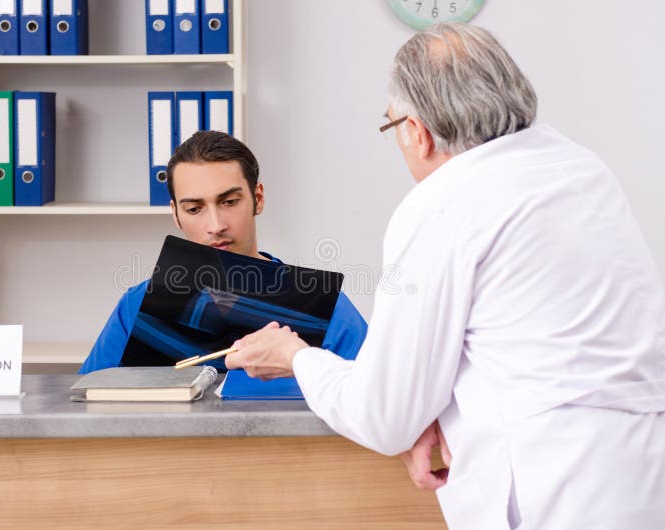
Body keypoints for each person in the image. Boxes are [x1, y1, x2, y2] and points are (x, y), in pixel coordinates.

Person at [226, 23, 665, 529]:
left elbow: (384, 415)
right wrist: (432, 410)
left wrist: (294, 357)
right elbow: (530, 343)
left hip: (559, 494)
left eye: (391, 127)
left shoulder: (443, 203)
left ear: (417, 131)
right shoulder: (580, 170)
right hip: (643, 479)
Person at [79, 131, 368, 374]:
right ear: (176, 215)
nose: (215, 226)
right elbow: (86, 406)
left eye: (229, 202)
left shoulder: (327, 309)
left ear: (258, 199)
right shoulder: (136, 305)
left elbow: (375, 407)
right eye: (194, 209)